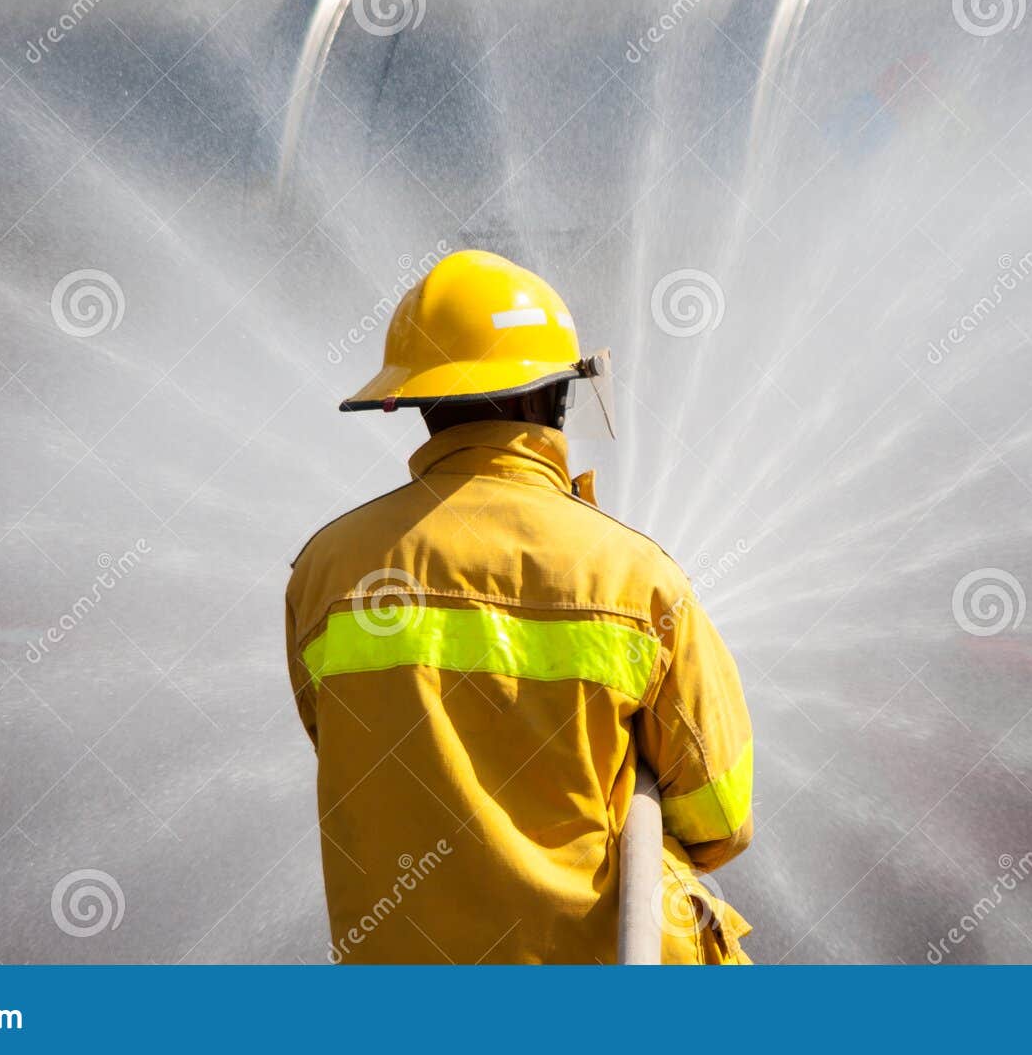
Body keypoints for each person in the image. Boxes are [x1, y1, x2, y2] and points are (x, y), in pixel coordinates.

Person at [285, 249, 754, 963]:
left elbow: (352, 749)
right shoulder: (635, 577)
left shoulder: (326, 571)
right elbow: (722, 814)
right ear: (546, 398)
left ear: (419, 402)